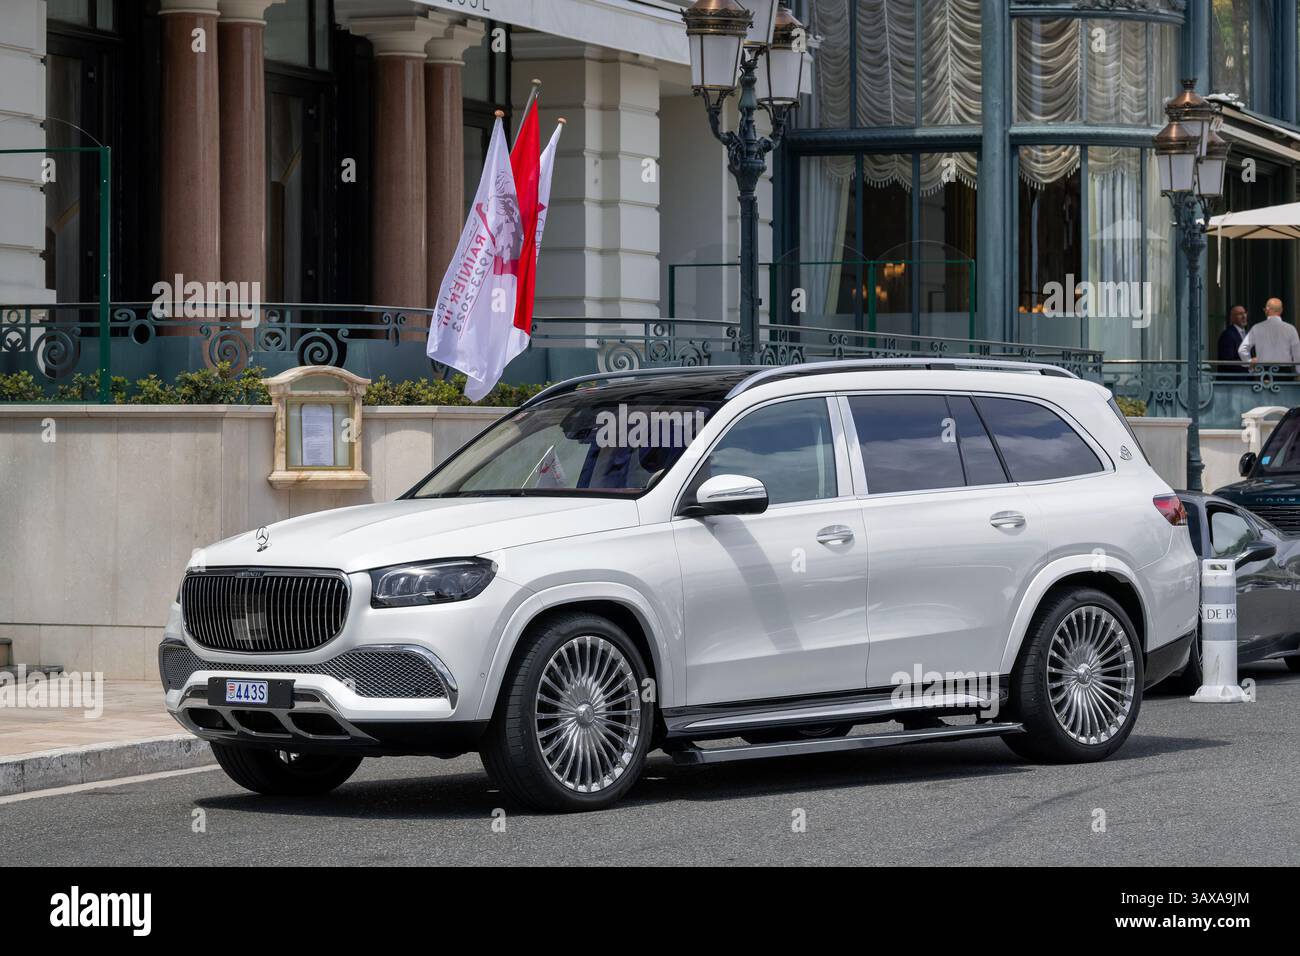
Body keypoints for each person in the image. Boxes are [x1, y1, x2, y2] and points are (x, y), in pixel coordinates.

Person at [1239, 298, 1300, 376]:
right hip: (1284, 372)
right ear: (1281, 310)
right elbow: (1297, 353)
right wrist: (1298, 372)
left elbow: (1242, 350)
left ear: (1266, 310)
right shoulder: (1291, 329)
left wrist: (1249, 363)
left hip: (1263, 372)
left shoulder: (1257, 328)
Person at [1217, 304, 1250, 376]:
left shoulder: (1248, 334)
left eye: (1244, 313)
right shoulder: (1227, 335)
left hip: (1250, 380)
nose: (1244, 316)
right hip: (1234, 380)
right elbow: (1227, 361)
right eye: (1240, 314)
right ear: (1232, 318)